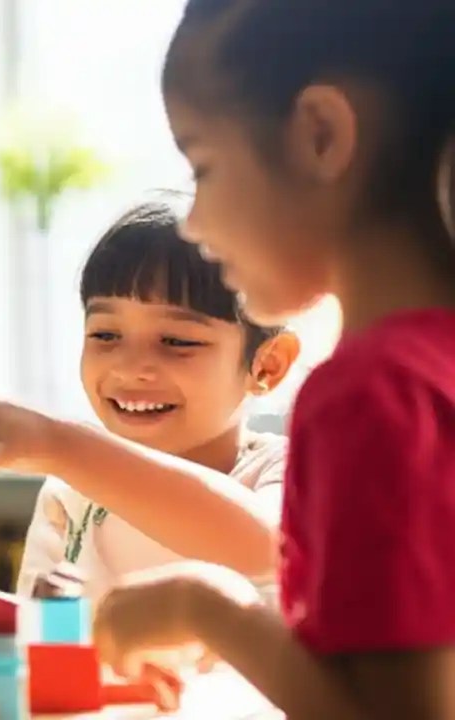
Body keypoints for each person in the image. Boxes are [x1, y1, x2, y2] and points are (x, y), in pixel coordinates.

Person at [85, 2, 455, 718]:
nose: (194, 220)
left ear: (319, 136)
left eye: (204, 164)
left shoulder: (371, 395)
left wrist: (209, 605)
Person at [0, 201, 300, 603]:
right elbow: (46, 640)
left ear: (267, 365)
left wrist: (61, 444)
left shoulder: (286, 471)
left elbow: (265, 548)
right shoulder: (69, 493)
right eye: (104, 335)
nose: (130, 368)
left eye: (177, 341)